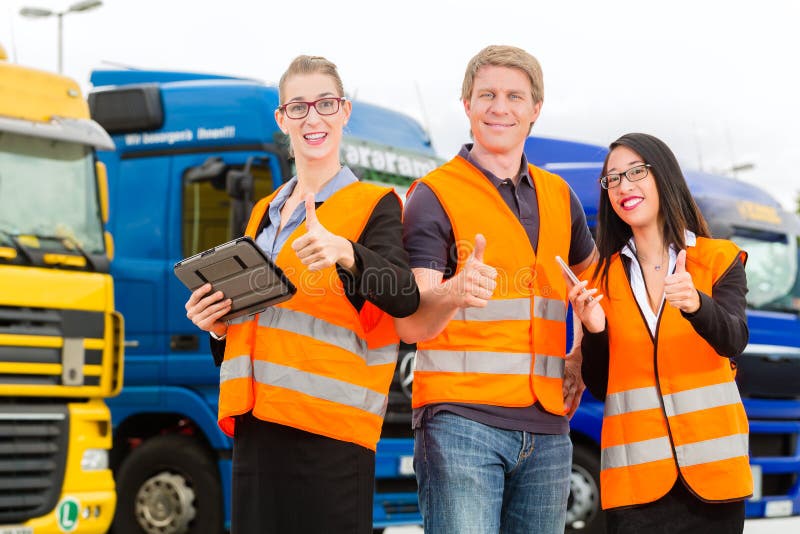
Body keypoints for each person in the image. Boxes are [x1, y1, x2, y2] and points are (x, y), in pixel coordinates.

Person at [184, 55, 419, 534]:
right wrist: (216, 324)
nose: (313, 117)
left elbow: (405, 296)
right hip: (257, 427)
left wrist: (347, 253)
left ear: (345, 112)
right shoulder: (262, 214)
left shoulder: (374, 205)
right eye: (298, 106)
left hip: (330, 434)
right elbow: (258, 327)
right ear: (281, 119)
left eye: (325, 104)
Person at [396, 45, 597, 533]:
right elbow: (410, 320)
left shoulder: (560, 197)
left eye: (514, 96)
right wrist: (454, 291)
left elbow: (593, 285)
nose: (499, 107)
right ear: (466, 105)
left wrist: (579, 356)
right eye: (486, 94)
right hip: (461, 422)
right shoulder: (433, 195)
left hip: (548, 427)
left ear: (535, 110)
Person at [569, 132, 752, 533]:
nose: (624, 186)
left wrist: (697, 304)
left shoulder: (716, 259)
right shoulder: (603, 278)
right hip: (636, 487)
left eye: (636, 171)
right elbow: (601, 386)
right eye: (612, 179)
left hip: (714, 482)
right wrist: (595, 331)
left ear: (663, 176)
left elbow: (734, 339)